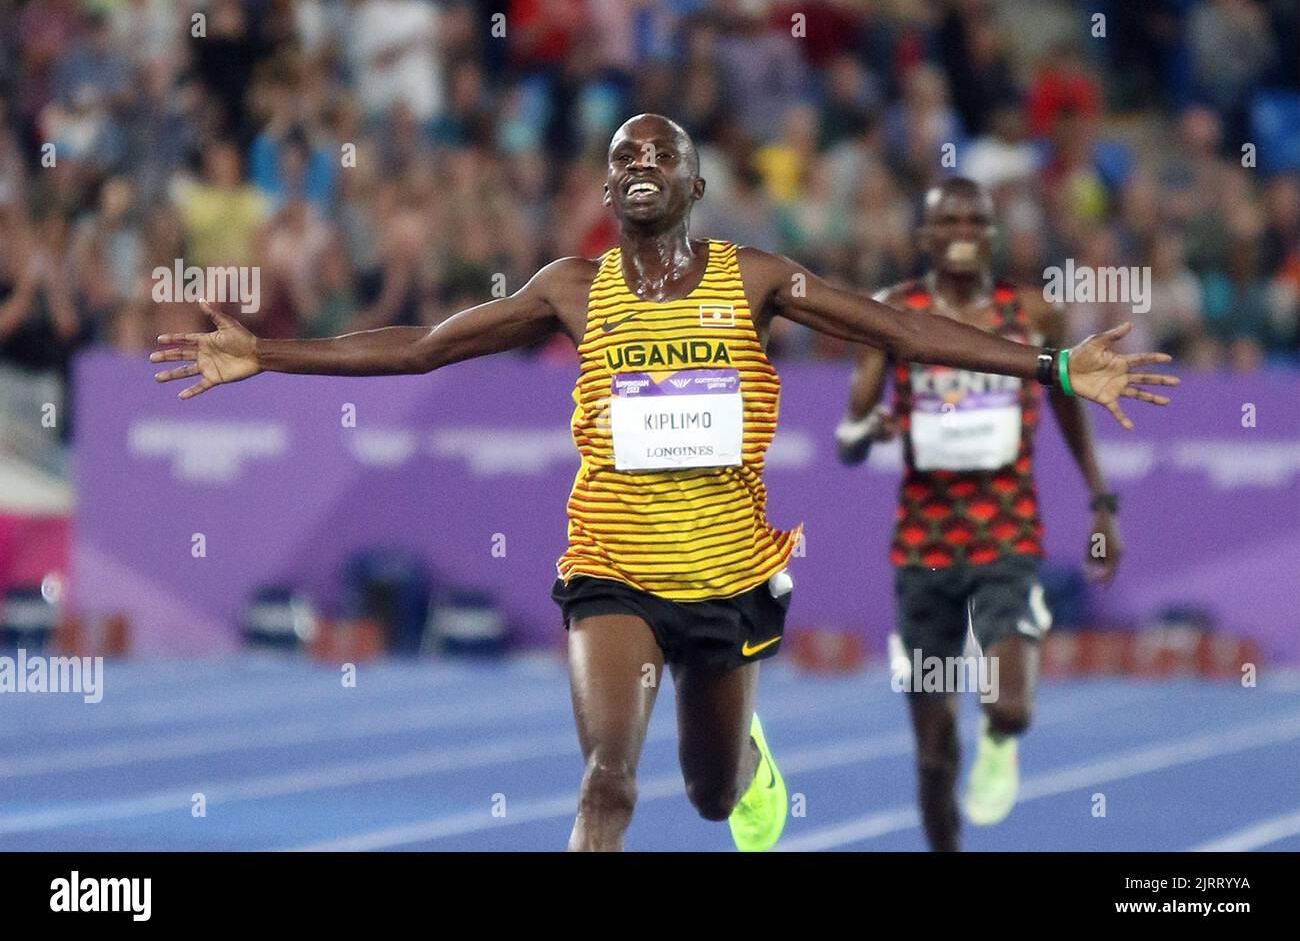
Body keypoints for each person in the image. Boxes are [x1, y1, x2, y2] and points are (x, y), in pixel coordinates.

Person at [151, 115, 1176, 852]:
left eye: (661, 155)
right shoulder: (569, 287)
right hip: (611, 568)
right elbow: (421, 346)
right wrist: (269, 353)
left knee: (710, 788)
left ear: (692, 187)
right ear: (608, 194)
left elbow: (900, 329)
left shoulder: (759, 277)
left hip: (726, 574)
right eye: (621, 157)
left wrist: (1048, 366)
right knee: (608, 779)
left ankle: (750, 761)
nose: (639, 165)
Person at [836, 178, 1123, 850]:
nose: (963, 228)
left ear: (993, 234)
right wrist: (867, 433)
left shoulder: (1032, 313)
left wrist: (1102, 502)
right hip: (922, 546)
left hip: (1005, 534)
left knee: (1011, 706)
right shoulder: (893, 311)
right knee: (933, 755)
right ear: (924, 237)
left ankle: (1001, 740)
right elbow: (849, 435)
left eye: (976, 218)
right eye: (949, 219)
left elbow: (1066, 403)